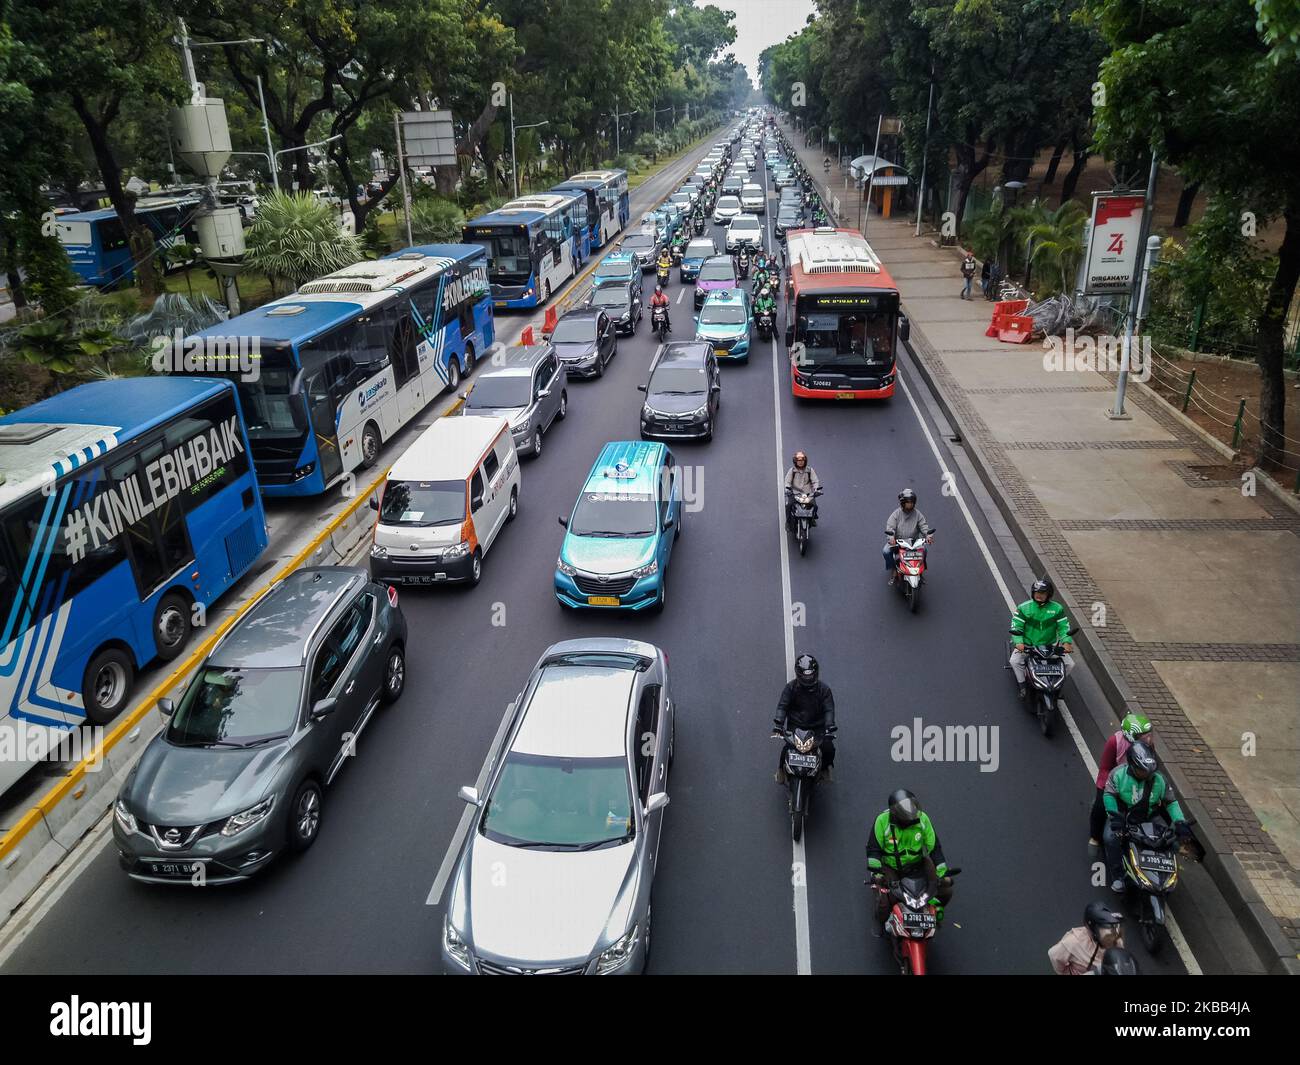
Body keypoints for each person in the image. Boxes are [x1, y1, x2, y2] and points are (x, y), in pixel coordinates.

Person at [1103, 741, 1192, 894]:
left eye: (1150, 771)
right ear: (1132, 765)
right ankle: (1118, 876)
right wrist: (1114, 817)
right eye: (1143, 771)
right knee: (1111, 839)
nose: (1148, 775)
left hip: (1149, 816)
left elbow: (1171, 803)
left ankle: (1164, 877)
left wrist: (1180, 822)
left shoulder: (1160, 780)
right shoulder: (1117, 775)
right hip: (1124, 816)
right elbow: (1109, 795)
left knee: (1173, 844)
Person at [867, 789, 954, 922]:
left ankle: (934, 912)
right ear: (895, 813)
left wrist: (943, 873)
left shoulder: (922, 818)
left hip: (917, 864)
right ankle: (886, 926)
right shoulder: (882, 821)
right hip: (891, 867)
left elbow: (934, 847)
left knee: (946, 890)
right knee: (885, 903)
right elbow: (874, 850)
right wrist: (877, 876)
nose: (911, 818)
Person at [1090, 713, 1156, 849]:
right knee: (1100, 806)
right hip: (1116, 779)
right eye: (1144, 736)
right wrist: (1107, 786)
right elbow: (1105, 768)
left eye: (1149, 735)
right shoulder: (1115, 742)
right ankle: (1095, 837)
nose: (1148, 739)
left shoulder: (1148, 745)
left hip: (1139, 778)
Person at [772, 653, 836, 780]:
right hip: (796, 726)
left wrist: (829, 726)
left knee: (828, 748)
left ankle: (824, 769)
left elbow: (829, 709)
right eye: (805, 676)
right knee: (787, 749)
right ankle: (781, 770)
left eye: (811, 675)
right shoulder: (790, 688)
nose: (808, 679)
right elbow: (782, 706)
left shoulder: (824, 690)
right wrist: (778, 724)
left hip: (817, 726)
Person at [1009, 577, 1075, 699]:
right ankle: (1022, 686)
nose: (1039, 595)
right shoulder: (1024, 608)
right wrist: (1019, 642)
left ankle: (1058, 686)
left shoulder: (1057, 609)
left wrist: (1066, 642)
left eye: (1042, 593)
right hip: (1028, 646)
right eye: (1037, 593)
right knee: (1015, 661)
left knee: (1070, 664)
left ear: (1048, 595)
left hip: (1050, 646)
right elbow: (1016, 626)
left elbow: (1063, 627)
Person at [1048, 901, 1125, 975]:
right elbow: (1053, 955)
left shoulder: (1116, 940)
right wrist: (1065, 972)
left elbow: (1120, 957)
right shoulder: (1073, 942)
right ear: (1091, 929)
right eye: (1104, 929)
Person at [883, 488, 933, 585]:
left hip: (914, 542)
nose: (910, 504)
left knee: (924, 551)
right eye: (908, 502)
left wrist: (928, 535)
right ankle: (894, 570)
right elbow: (890, 528)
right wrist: (891, 538)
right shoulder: (896, 514)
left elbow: (924, 526)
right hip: (898, 542)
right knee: (886, 552)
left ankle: (920, 572)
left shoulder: (918, 514)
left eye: (911, 502)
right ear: (903, 503)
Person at [784, 450, 820, 530]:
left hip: (807, 494)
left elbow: (815, 481)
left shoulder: (810, 470)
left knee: (815, 506)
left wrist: (816, 489)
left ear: (805, 461)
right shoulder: (792, 471)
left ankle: (812, 519)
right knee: (789, 506)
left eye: (802, 461)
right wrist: (788, 489)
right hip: (795, 493)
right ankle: (788, 522)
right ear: (795, 462)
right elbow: (787, 481)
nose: (800, 462)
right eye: (798, 461)